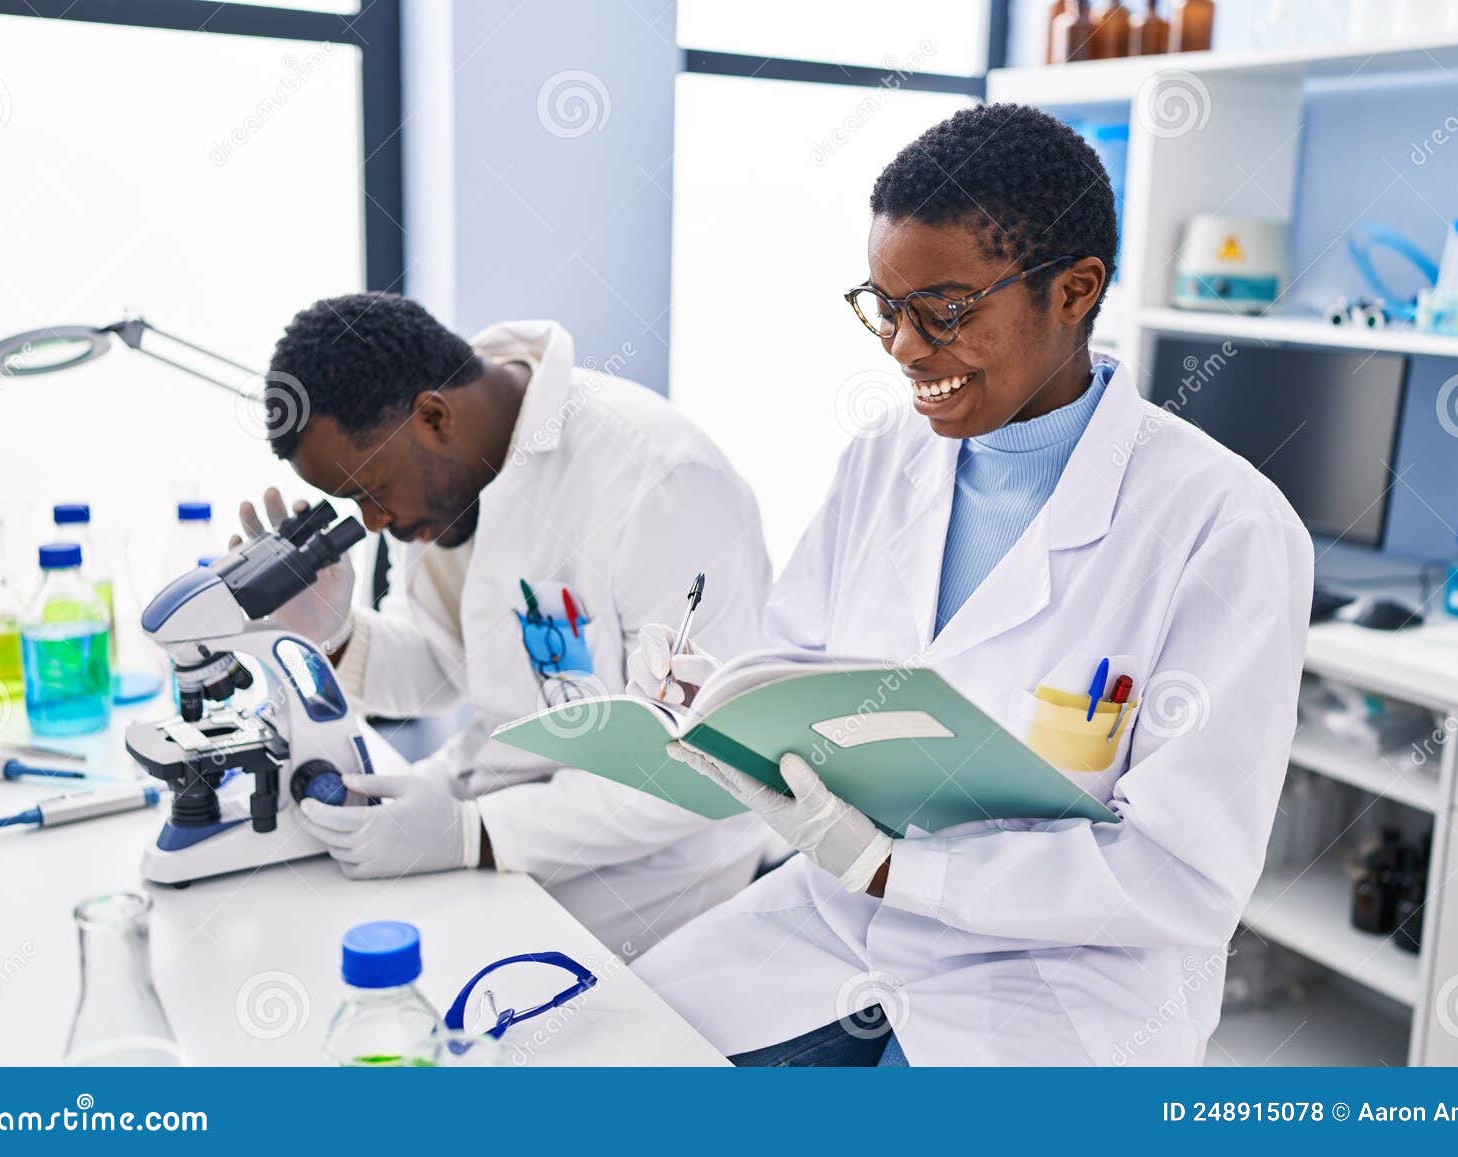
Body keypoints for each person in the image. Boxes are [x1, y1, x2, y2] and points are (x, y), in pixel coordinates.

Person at [627, 104, 1313, 1064]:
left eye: (945, 311)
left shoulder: (1224, 526)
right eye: (885, 307)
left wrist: (899, 869)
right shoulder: (883, 460)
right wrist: (718, 696)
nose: (906, 349)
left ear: (1075, 290)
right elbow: (806, 664)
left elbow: (1182, 873)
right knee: (610, 1050)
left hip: (1056, 986)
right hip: (826, 927)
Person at [238, 294, 775, 958]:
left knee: (444, 995)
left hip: (658, 883)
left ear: (433, 415)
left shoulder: (658, 478)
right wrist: (335, 633)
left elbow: (702, 765)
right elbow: (445, 670)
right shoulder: (444, 478)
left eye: (371, 491)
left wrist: (477, 831)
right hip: (508, 818)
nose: (372, 523)